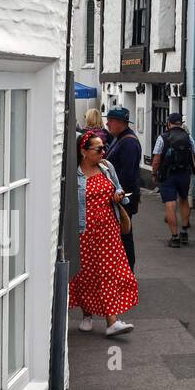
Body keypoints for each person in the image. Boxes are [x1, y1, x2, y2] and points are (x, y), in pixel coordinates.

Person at [70, 130, 138, 337]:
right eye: (99, 148)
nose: (103, 151)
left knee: (109, 273)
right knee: (86, 275)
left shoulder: (107, 167)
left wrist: (119, 196)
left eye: (104, 147)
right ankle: (87, 316)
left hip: (109, 231)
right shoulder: (75, 174)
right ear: (84, 151)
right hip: (84, 232)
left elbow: (118, 190)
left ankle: (112, 321)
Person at [152, 112, 195, 248]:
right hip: (184, 174)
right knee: (183, 200)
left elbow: (156, 159)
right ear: (180, 124)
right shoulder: (189, 138)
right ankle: (184, 232)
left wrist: (154, 173)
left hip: (168, 176)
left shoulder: (162, 138)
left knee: (170, 205)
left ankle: (174, 237)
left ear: (168, 123)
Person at [104, 107, 143, 272]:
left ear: (120, 123)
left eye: (111, 121)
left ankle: (128, 272)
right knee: (120, 235)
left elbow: (127, 174)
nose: (107, 123)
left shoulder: (128, 142)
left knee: (125, 235)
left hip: (124, 197)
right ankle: (123, 270)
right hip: (121, 196)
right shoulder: (120, 139)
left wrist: (119, 194)